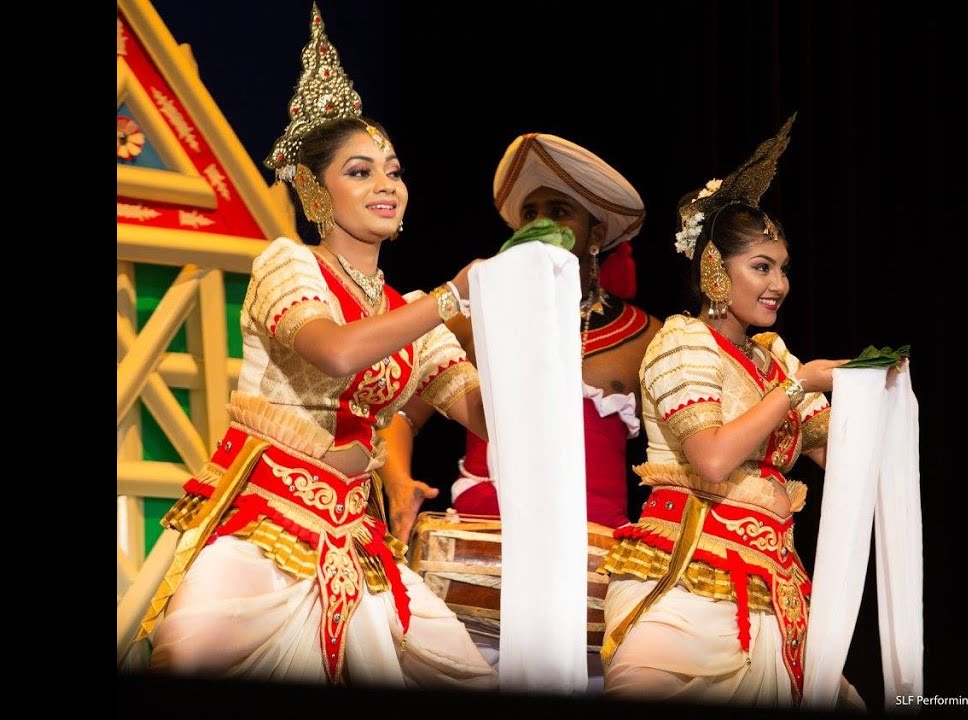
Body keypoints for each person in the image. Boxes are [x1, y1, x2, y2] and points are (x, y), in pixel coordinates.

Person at [135, 6, 497, 689]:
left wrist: (524, 339)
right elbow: (333, 351)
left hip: (352, 535)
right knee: (191, 658)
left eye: (393, 170)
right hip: (265, 517)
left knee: (465, 675)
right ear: (314, 190)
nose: (386, 185)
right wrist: (449, 301)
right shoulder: (290, 264)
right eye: (360, 172)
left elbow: (481, 416)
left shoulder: (402, 310)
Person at [598, 116, 882, 708]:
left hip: (775, 586)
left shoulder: (773, 358)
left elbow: (845, 462)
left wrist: (879, 400)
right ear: (713, 270)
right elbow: (712, 455)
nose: (779, 283)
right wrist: (800, 386)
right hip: (691, 582)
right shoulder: (682, 344)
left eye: (782, 268)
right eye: (762, 267)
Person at [381, 133, 660, 543]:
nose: (541, 225)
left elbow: (678, 459)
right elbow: (399, 413)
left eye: (559, 211)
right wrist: (398, 482)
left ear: (596, 235)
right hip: (478, 547)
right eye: (529, 214)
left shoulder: (647, 336)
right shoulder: (471, 317)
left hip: (598, 557)